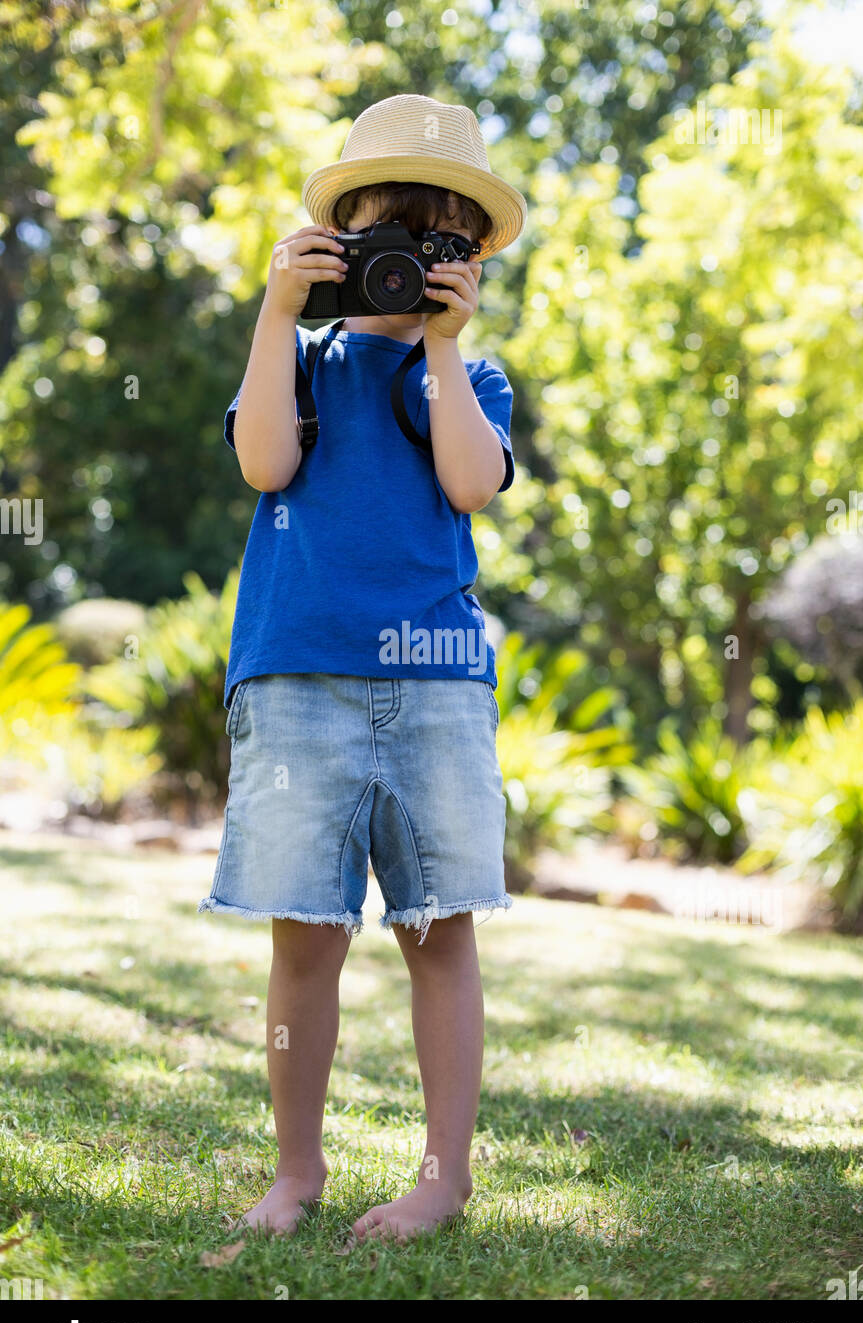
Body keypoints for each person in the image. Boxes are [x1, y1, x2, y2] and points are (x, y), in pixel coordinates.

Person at [199, 93, 527, 1243]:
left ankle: (444, 1176)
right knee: (303, 933)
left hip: (435, 684)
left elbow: (468, 485)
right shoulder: (300, 356)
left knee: (440, 932)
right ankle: (296, 1172)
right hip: (298, 677)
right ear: (339, 242)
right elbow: (262, 461)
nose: (404, 266)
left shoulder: (471, 381)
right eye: (384, 236)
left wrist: (441, 343)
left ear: (469, 263)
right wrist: (273, 314)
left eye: (435, 246)